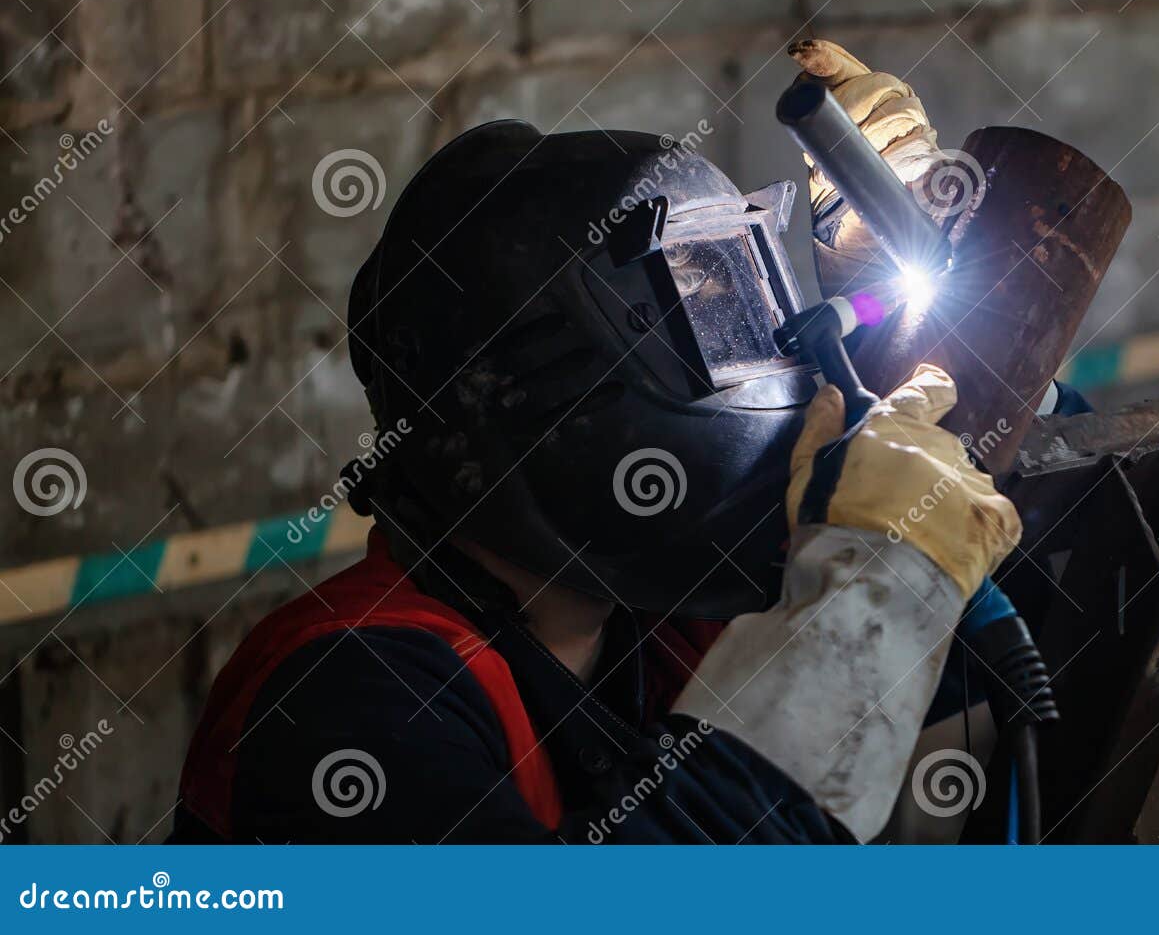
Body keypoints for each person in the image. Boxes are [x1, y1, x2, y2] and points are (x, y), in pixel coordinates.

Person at [170, 42, 1022, 844]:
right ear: (542, 395)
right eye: (712, 314)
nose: (775, 360)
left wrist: (915, 318)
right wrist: (870, 598)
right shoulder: (348, 700)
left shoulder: (664, 620)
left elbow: (1057, 593)